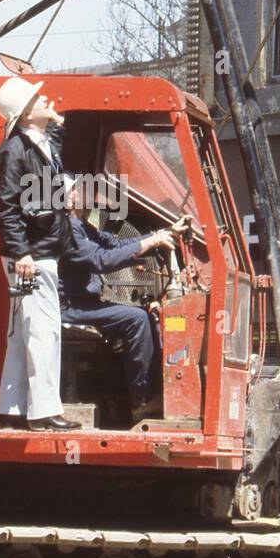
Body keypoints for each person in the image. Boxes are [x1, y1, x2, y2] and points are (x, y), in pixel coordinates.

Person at [0, 76, 80, 431]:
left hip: (35, 251)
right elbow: (5, 209)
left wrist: (58, 121)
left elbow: (54, 144)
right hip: (32, 253)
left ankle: (10, 410)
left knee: (22, 332)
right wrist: (21, 253)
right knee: (44, 331)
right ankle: (44, 411)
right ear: (26, 113)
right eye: (37, 98)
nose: (46, 99)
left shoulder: (36, 144)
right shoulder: (15, 151)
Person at [59, 180, 187, 422]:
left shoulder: (84, 227)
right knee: (136, 319)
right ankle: (142, 400)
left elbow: (117, 244)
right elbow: (101, 260)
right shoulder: (67, 228)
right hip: (69, 307)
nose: (87, 193)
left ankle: (151, 391)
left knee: (146, 315)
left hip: (84, 303)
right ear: (69, 197)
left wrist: (162, 234)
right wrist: (150, 242)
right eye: (79, 189)